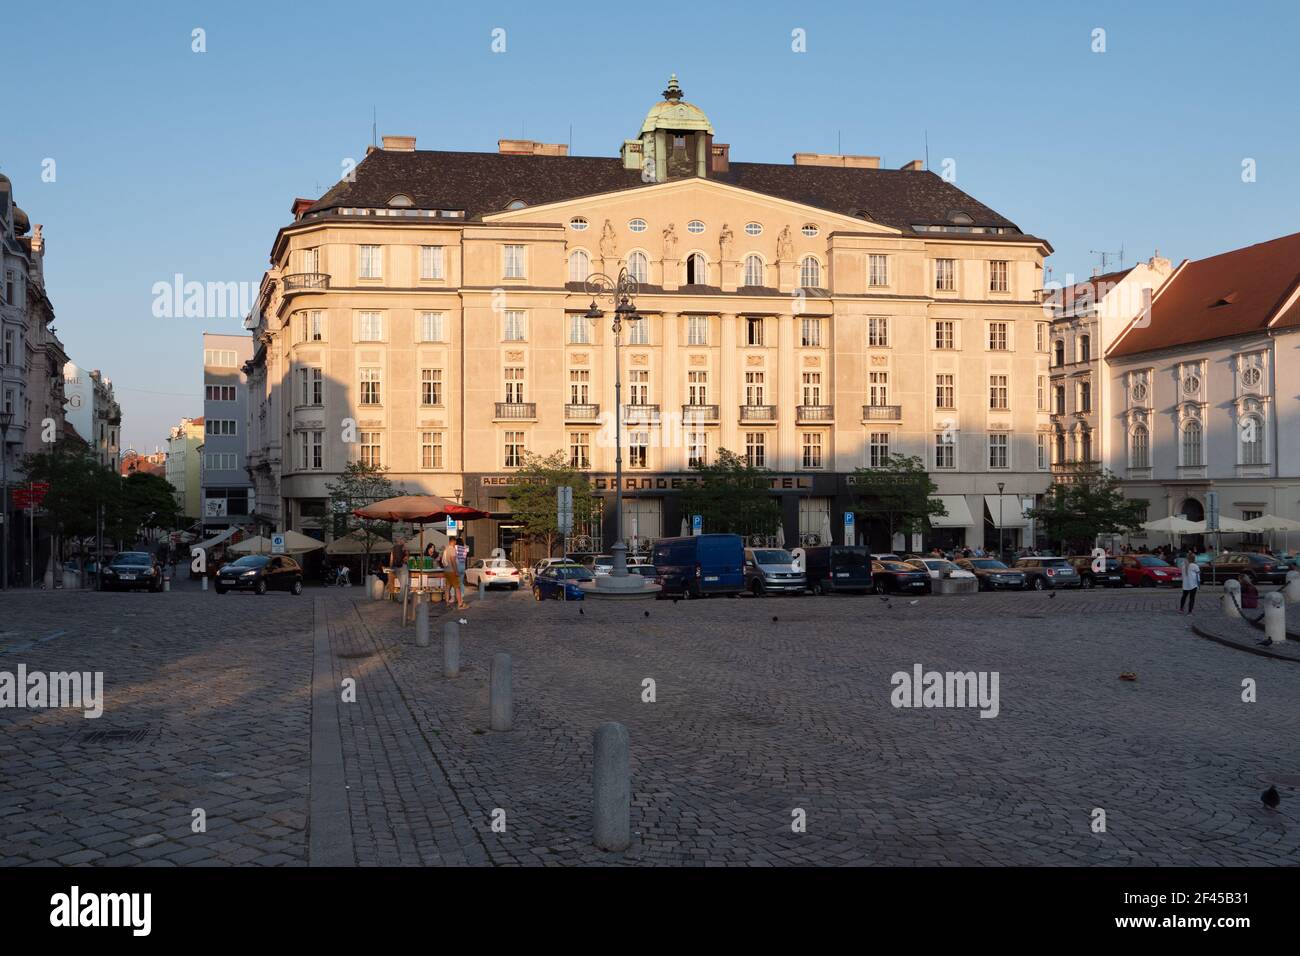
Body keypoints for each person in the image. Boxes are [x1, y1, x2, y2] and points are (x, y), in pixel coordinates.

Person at [441, 539, 466, 610]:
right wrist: (456, 571)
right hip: (454, 569)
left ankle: (448, 601)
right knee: (458, 586)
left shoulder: (446, 549)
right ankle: (460, 603)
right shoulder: (453, 549)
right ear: (453, 541)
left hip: (446, 570)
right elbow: (453, 560)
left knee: (448, 586)